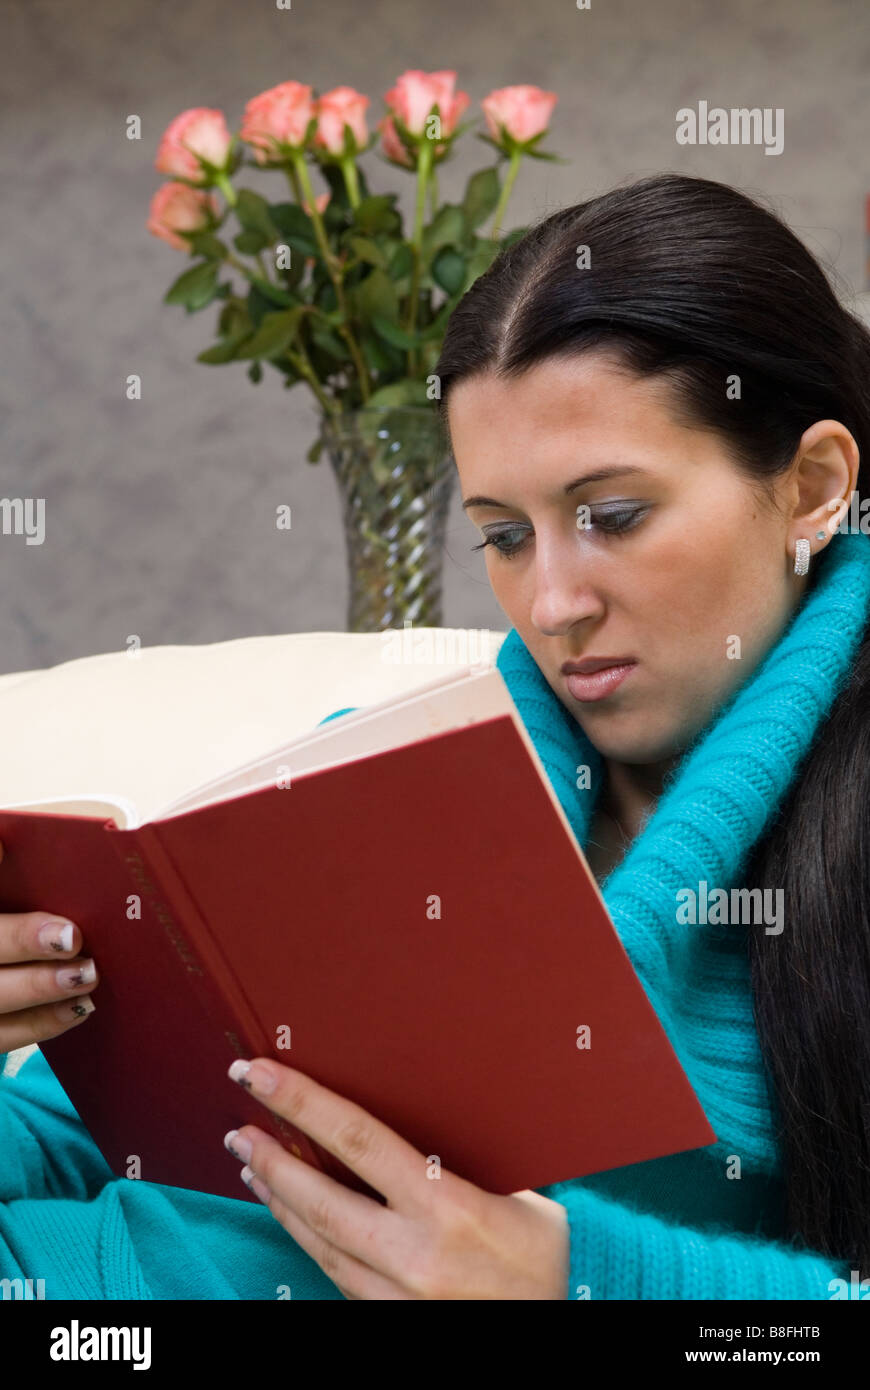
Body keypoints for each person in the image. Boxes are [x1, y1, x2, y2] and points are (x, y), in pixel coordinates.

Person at [2, 171, 869, 1299]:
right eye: (503, 536)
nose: (551, 602)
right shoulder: (375, 781)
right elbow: (53, 1151)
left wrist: (578, 1282)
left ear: (811, 486)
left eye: (612, 515)